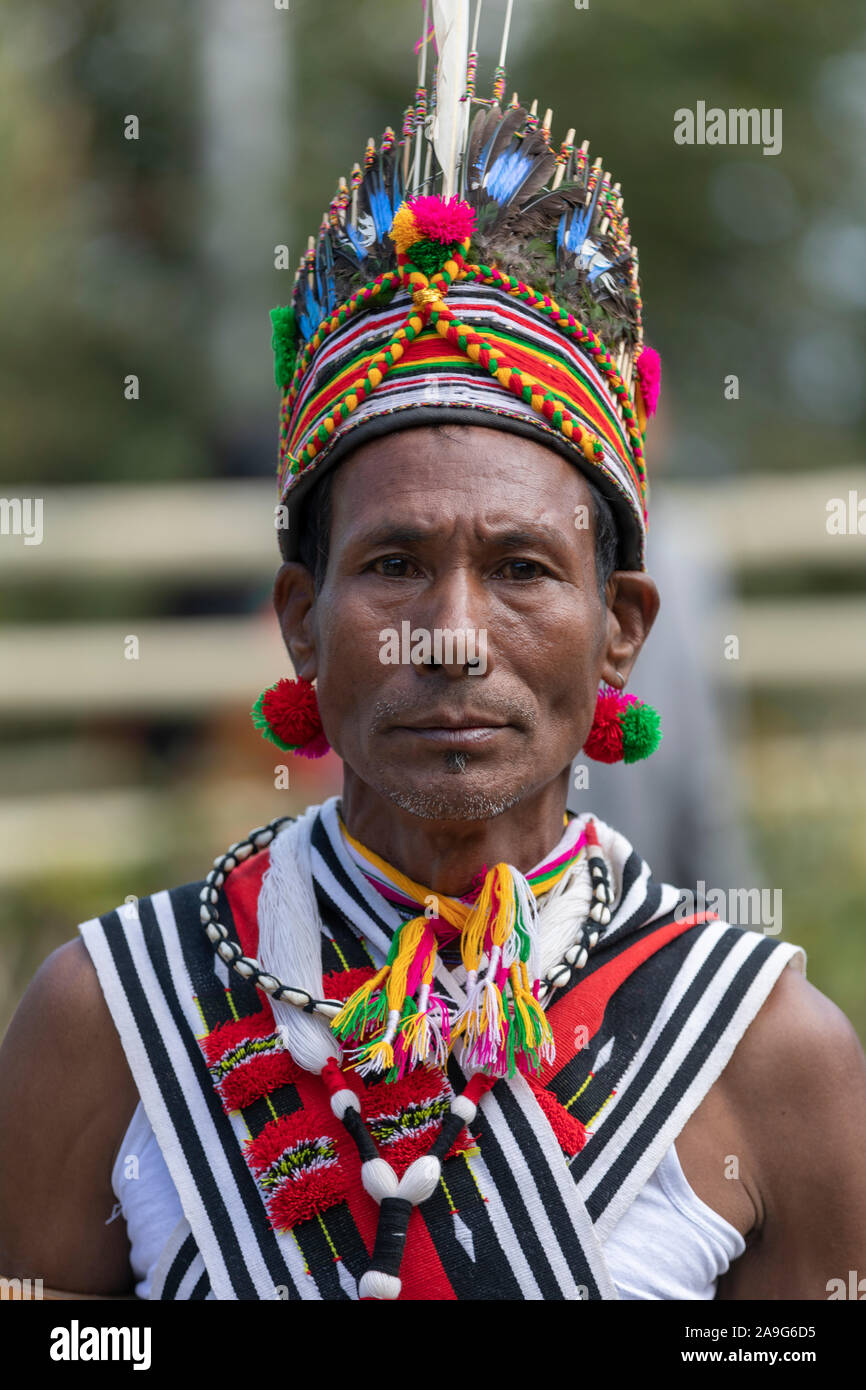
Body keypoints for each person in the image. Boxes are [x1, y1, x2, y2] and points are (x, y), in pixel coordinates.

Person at [2, 7, 865, 1303]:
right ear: (300, 615)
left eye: (520, 569)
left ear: (621, 622)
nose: (451, 635)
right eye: (393, 564)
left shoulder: (765, 1056)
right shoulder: (110, 1020)